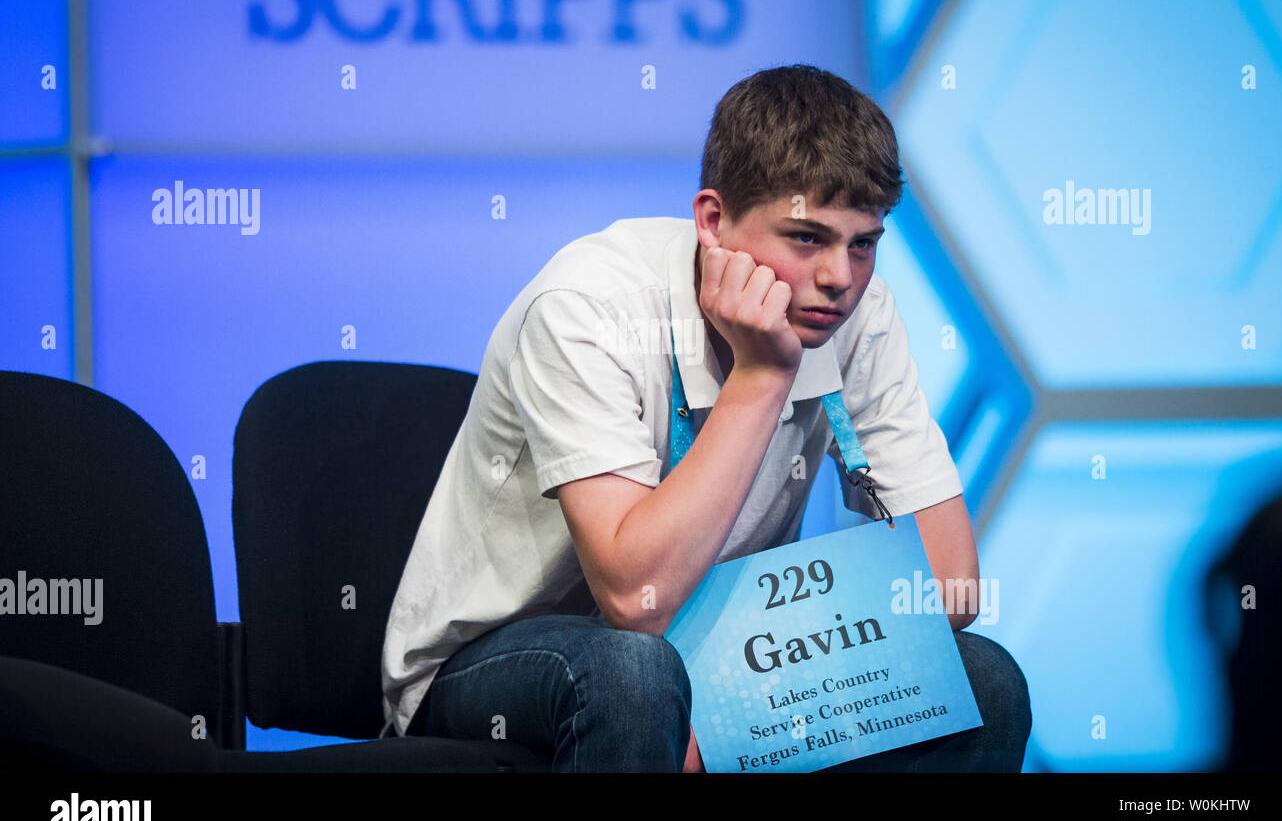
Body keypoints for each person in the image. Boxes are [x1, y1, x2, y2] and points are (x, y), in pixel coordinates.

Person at [380, 64, 1031, 772]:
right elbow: (636, 598)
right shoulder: (586, 306)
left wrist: (745, 694)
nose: (841, 278)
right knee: (633, 674)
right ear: (713, 222)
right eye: (807, 238)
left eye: (863, 243)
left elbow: (949, 581)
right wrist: (763, 373)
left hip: (709, 646)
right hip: (499, 655)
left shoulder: (858, 317)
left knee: (981, 679)